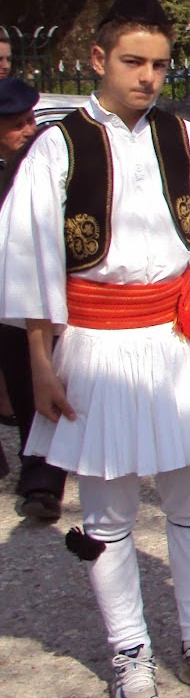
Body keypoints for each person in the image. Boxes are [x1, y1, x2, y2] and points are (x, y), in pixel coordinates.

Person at [0, 0, 190, 698]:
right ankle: (128, 650)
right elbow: (27, 257)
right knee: (108, 510)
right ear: (99, 59)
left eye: (158, 63)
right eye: (132, 62)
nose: (148, 76)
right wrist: (39, 359)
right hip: (95, 341)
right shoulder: (58, 146)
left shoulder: (186, 139)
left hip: (176, 337)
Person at [0, 77, 68, 522]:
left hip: (24, 297)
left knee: (32, 385)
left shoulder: (39, 165)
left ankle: (41, 481)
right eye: (16, 124)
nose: (28, 129)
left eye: (30, 120)